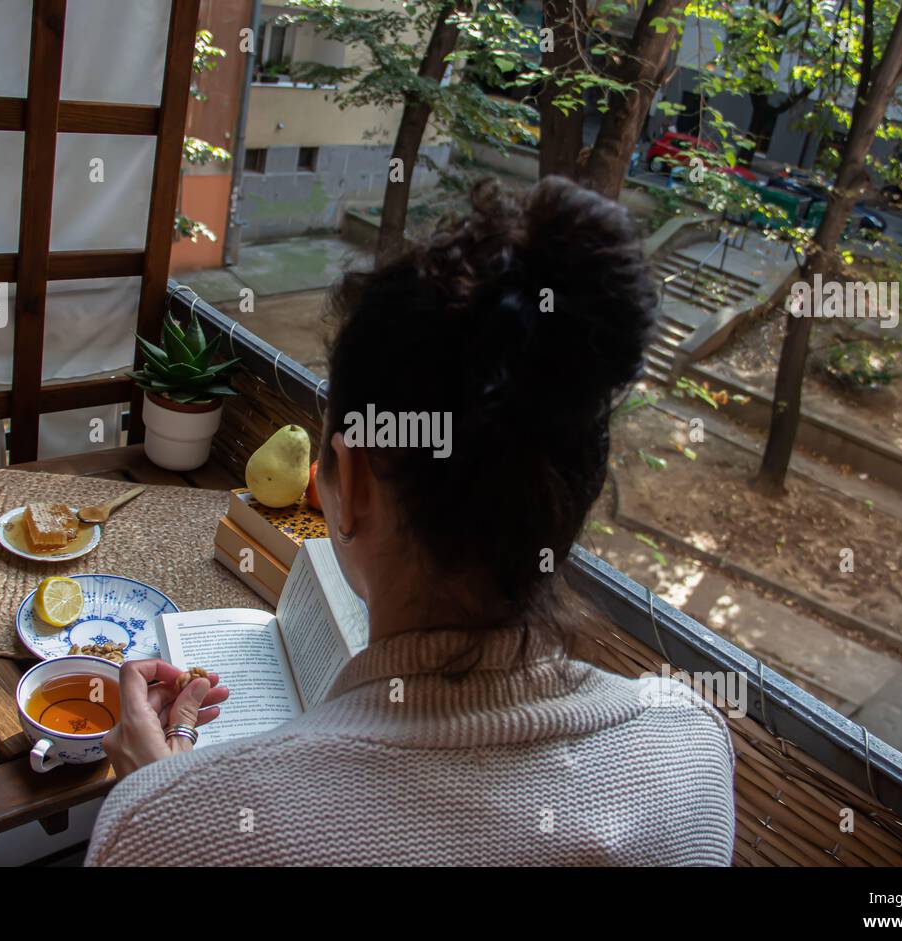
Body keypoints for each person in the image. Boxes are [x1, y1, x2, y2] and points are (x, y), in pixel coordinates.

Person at [89, 176, 736, 866]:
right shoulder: (690, 751)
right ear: (577, 492)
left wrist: (162, 791)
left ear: (354, 479)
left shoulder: (169, 831)